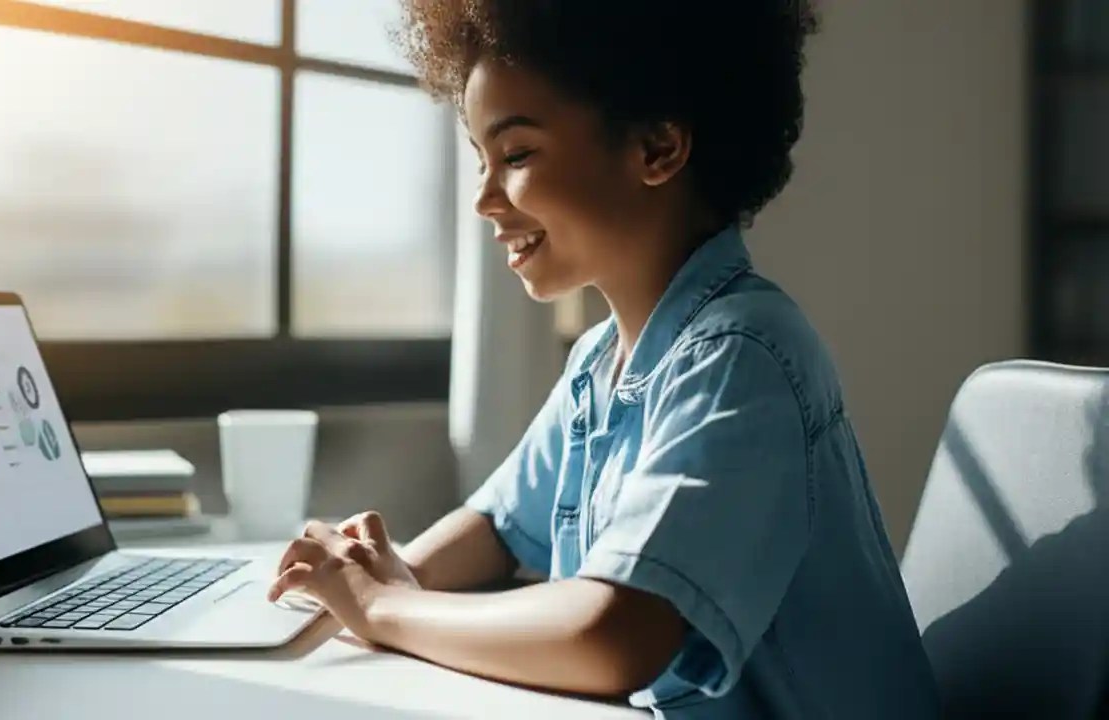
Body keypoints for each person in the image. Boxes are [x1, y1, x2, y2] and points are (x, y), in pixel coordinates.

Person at [268, 1, 940, 716]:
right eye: (481, 161)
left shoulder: (741, 357)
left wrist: (385, 608)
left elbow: (616, 634)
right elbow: (497, 526)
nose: (485, 200)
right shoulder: (598, 362)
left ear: (658, 148)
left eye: (517, 155)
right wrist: (378, 574)